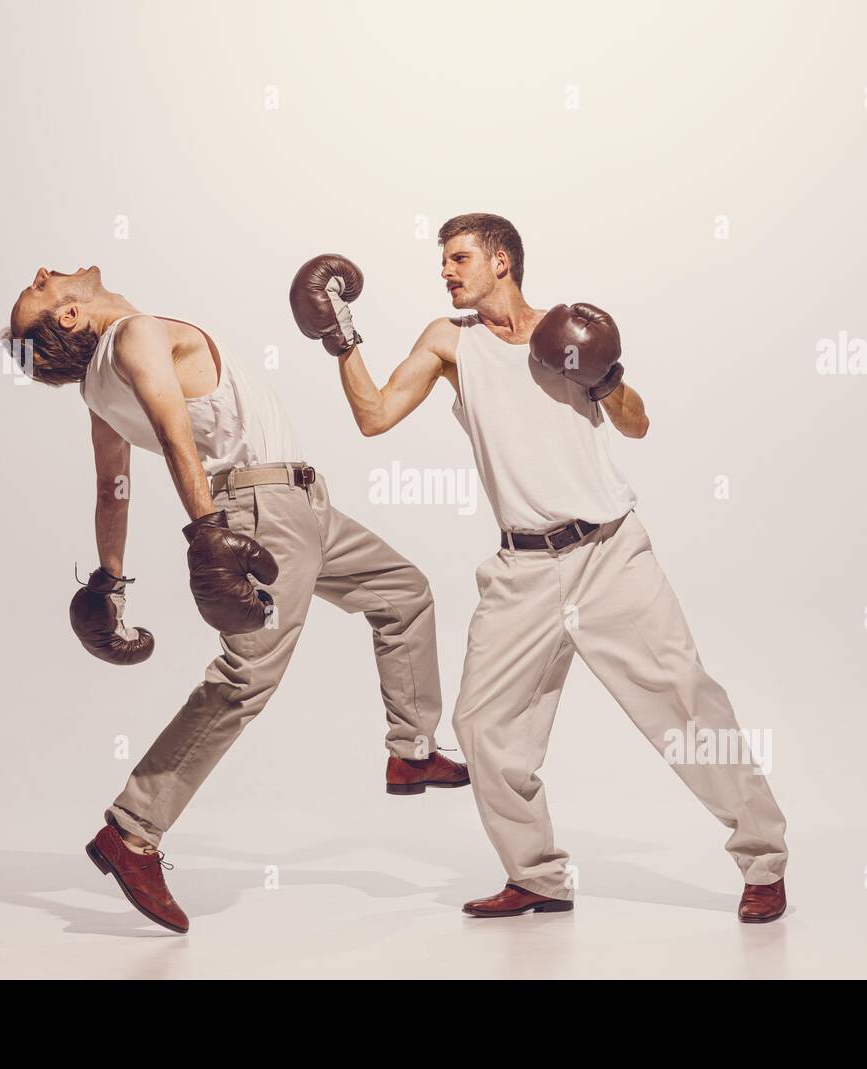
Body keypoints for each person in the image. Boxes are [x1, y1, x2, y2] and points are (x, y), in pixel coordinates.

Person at [289, 214, 788, 922]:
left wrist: (608, 377)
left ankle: (764, 856)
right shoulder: (448, 340)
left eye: (459, 258)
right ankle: (536, 875)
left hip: (611, 554)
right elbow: (373, 416)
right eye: (444, 261)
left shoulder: (567, 329)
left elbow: (637, 424)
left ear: (501, 260)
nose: (446, 272)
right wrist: (341, 339)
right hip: (522, 568)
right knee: (480, 721)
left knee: (684, 700)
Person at [3, 265, 468, 934]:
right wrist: (208, 535)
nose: (45, 273)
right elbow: (171, 432)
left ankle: (413, 746)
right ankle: (133, 830)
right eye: (40, 288)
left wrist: (109, 580)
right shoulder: (134, 335)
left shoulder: (97, 389)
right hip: (261, 510)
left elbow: (114, 489)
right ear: (71, 317)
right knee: (245, 678)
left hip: (305, 506)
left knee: (402, 592)